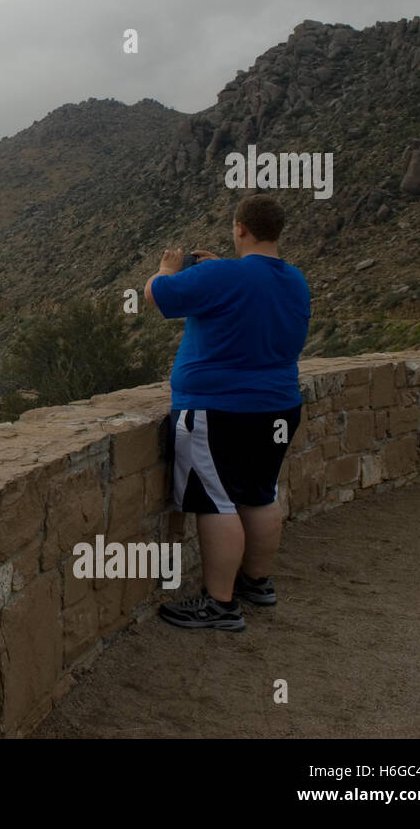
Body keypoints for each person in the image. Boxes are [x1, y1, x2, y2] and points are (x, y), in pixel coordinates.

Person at [144, 194, 311, 630]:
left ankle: (220, 603)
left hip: (220, 410)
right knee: (260, 495)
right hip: (279, 406)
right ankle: (257, 583)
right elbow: (250, 301)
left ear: (240, 228)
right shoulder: (295, 280)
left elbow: (158, 296)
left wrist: (166, 268)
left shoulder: (221, 275)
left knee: (215, 501)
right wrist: (220, 269)